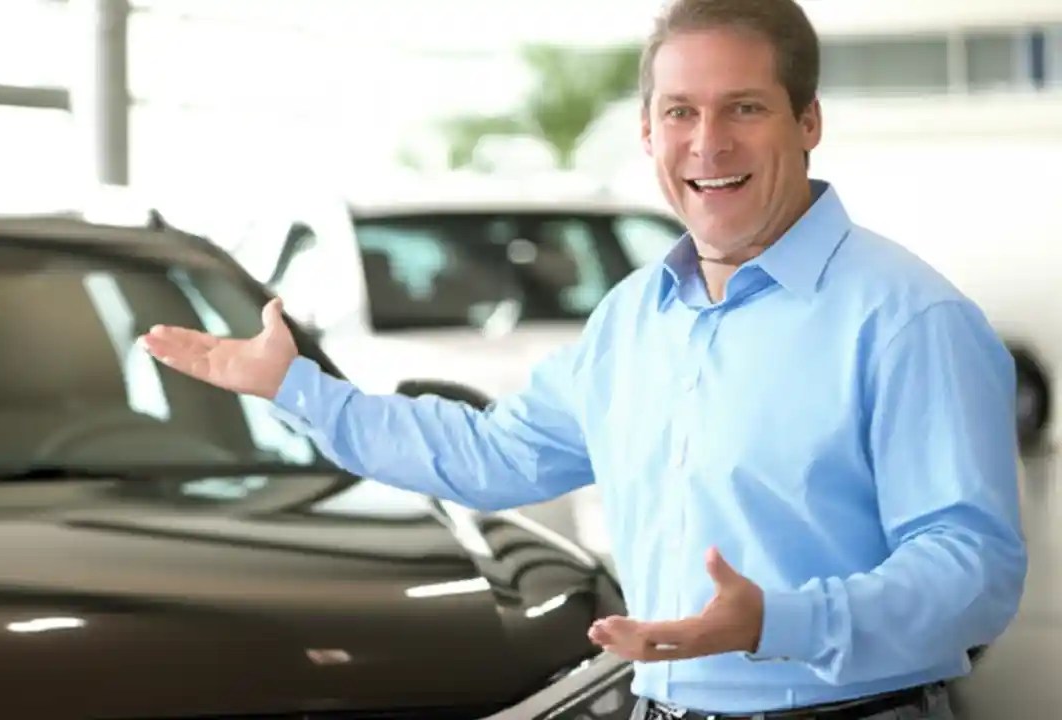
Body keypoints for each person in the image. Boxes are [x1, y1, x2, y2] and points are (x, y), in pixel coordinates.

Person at [141, 0, 1027, 717]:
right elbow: (496, 454)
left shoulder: (910, 318)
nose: (707, 143)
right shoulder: (635, 318)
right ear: (647, 132)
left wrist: (777, 621)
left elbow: (971, 570)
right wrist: (298, 389)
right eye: (680, 111)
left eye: (744, 108)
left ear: (808, 122)